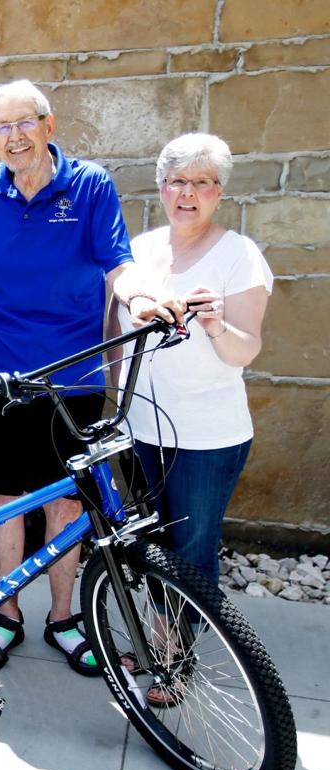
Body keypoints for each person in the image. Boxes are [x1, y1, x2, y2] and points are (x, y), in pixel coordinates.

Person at [0, 80, 133, 676]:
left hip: (72, 381)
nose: (15, 136)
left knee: (66, 505)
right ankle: (7, 616)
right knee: (5, 501)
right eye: (2, 127)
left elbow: (119, 264)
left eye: (26, 123)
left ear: (49, 127)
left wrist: (145, 300)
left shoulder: (91, 185)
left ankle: (63, 618)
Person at [112, 133, 271, 586]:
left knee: (191, 551)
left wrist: (217, 324)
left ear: (218, 192)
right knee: (151, 545)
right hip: (138, 426)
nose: (187, 194)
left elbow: (247, 347)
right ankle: (157, 647)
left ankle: (177, 654)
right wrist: (118, 394)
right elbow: (115, 332)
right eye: (176, 180)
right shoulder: (138, 251)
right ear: (161, 186)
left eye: (202, 182)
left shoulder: (238, 255)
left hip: (205, 438)